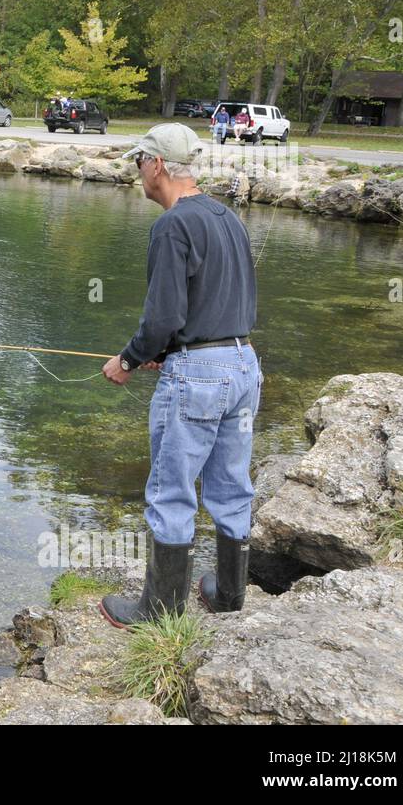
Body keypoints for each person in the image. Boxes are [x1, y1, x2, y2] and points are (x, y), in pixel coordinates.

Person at [99, 123, 260, 628]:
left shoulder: (171, 225)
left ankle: (159, 608)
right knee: (232, 485)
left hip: (199, 376)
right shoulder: (226, 216)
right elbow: (223, 300)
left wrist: (127, 360)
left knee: (172, 489)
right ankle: (230, 595)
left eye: (139, 162)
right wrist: (168, 350)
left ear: (159, 165)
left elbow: (164, 314)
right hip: (243, 365)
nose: (137, 172)